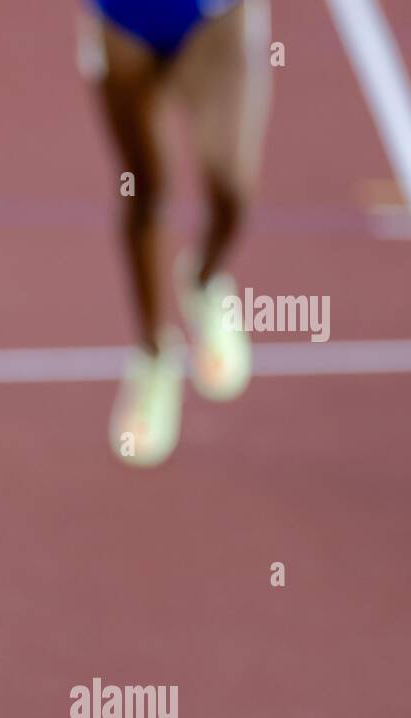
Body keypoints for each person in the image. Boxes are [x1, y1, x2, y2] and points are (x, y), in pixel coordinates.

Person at [80, 0, 273, 466]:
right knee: (143, 190)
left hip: (213, 20)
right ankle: (152, 354)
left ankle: (203, 282)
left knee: (232, 188)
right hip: (124, 23)